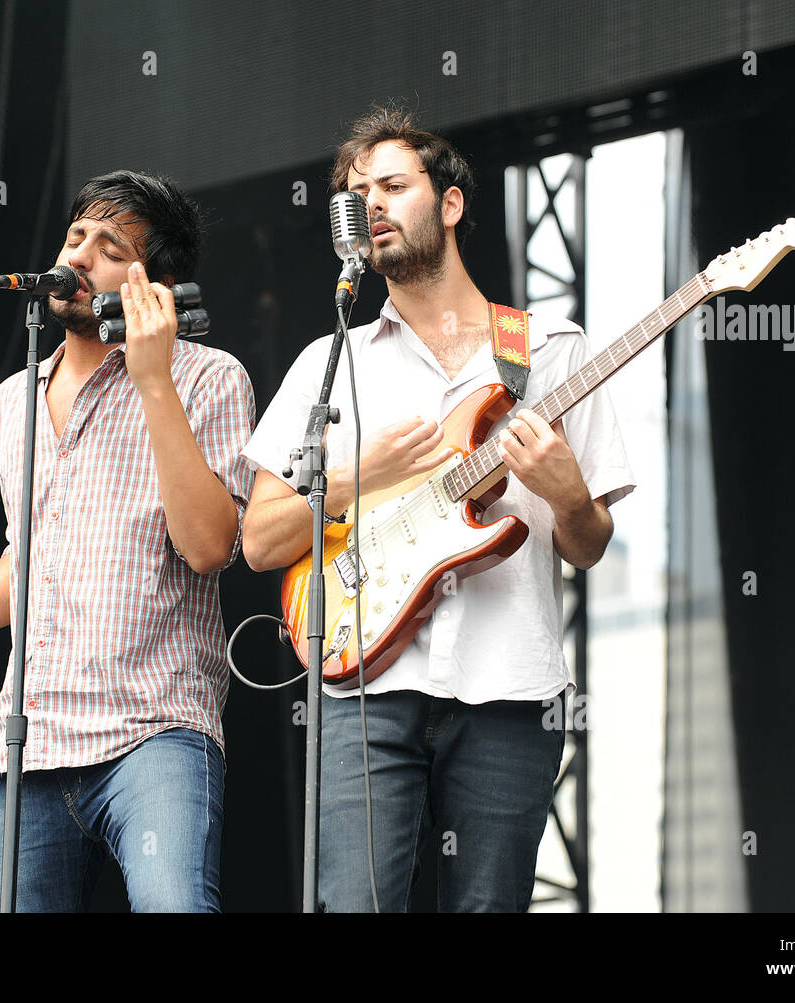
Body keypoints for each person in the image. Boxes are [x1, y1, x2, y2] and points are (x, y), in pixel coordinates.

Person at [240, 106, 634, 912]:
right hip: (362, 689)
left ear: (450, 204)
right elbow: (257, 539)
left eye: (392, 185)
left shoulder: (551, 348)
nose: (372, 204)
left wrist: (565, 493)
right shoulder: (330, 363)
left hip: (508, 691)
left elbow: (589, 543)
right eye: (358, 195)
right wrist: (355, 473)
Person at [0, 171, 255, 912]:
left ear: (158, 283)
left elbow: (211, 544)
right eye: (76, 236)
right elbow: (33, 552)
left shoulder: (211, 379)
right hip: (33, 739)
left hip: (157, 729)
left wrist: (154, 380)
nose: (80, 257)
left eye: (110, 248)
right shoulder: (12, 400)